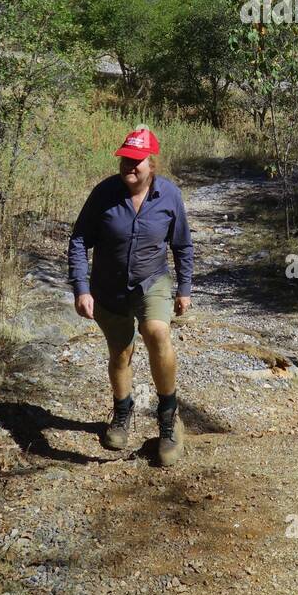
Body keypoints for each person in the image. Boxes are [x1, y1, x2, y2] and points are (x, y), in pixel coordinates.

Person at [67, 127, 193, 465]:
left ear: (152, 164)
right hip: (108, 288)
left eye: (138, 161)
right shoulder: (104, 194)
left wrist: (184, 288)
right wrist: (81, 288)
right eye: (126, 160)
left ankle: (168, 419)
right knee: (120, 353)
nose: (130, 167)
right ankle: (122, 412)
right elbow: (79, 239)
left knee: (156, 332)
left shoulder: (169, 196)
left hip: (152, 282)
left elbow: (181, 245)